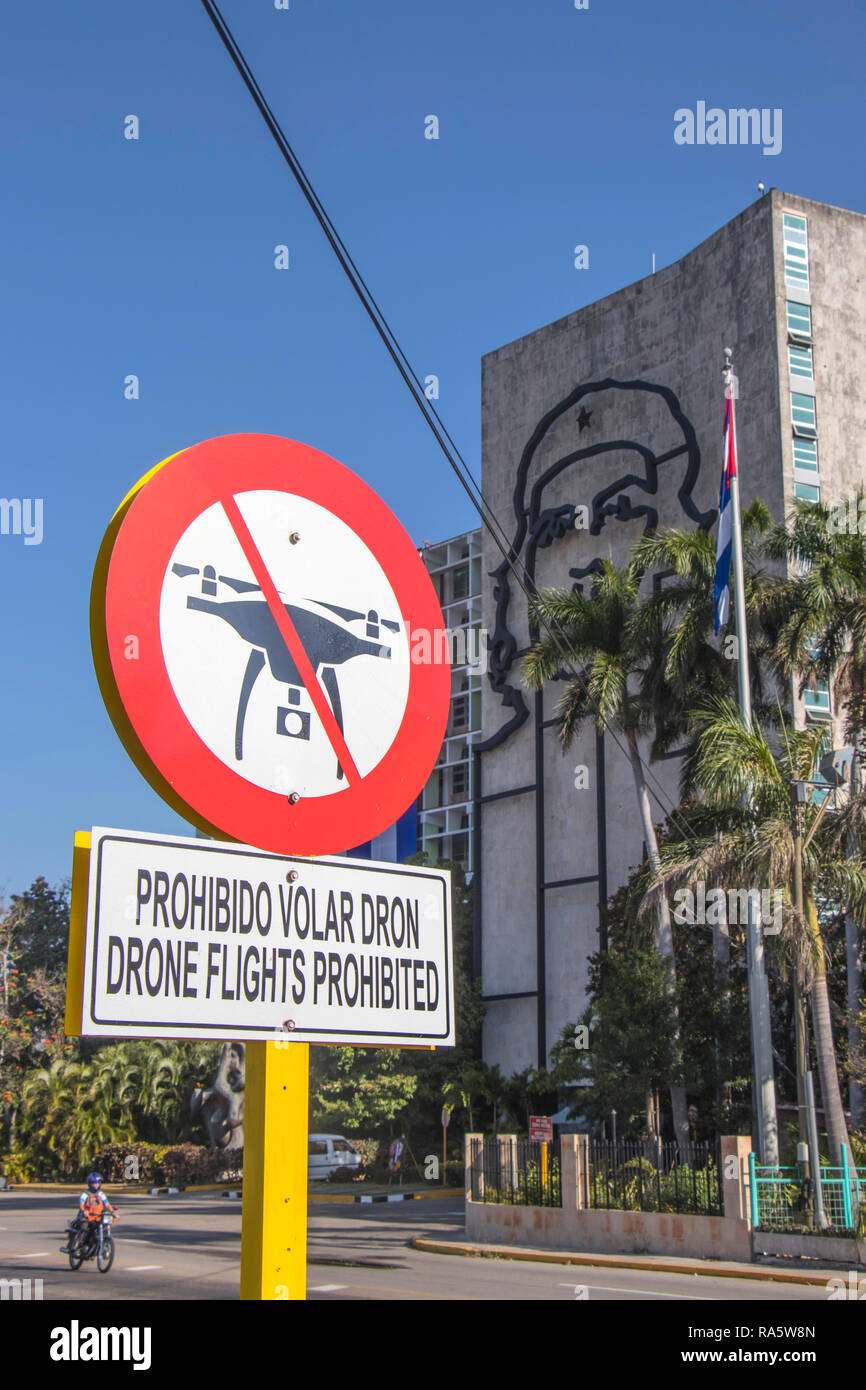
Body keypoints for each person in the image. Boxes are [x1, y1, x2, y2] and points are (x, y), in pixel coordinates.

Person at [61, 1172, 118, 1253]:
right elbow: (81, 1204)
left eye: (98, 1183)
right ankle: (80, 1246)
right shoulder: (85, 1194)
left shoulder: (101, 1194)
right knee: (84, 1227)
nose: (96, 1185)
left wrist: (113, 1212)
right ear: (90, 1184)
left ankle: (99, 1244)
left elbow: (107, 1204)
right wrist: (84, 1211)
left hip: (97, 1217)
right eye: (94, 1183)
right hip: (86, 1216)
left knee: (104, 1227)